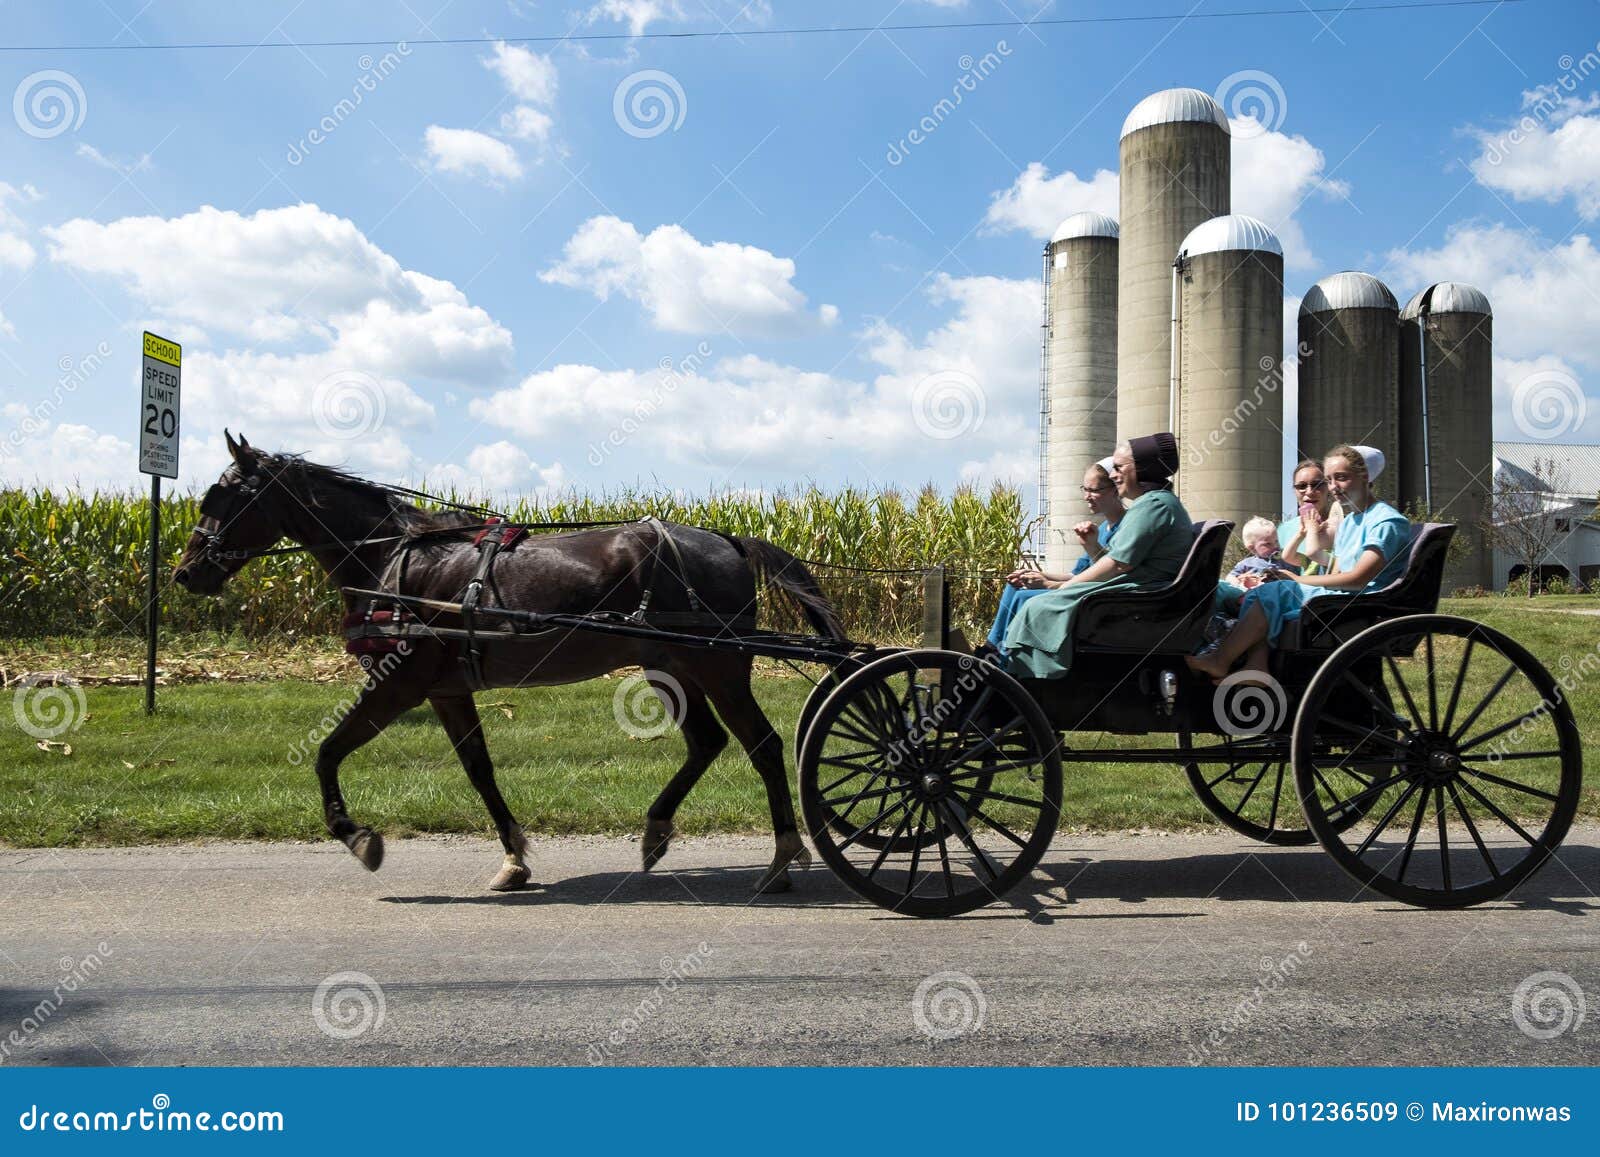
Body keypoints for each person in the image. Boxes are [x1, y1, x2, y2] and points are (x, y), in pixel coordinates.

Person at [1187, 445, 1410, 681]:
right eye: (1330, 479)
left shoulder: (1386, 521)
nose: (1334, 487)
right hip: (1342, 597)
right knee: (1261, 593)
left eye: (1341, 478)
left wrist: (1297, 579)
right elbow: (1336, 570)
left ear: (1365, 476)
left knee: (1273, 593)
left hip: (1365, 603)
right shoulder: (1351, 521)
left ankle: (1220, 661)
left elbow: (1359, 579)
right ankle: (1256, 665)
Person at [999, 433, 1194, 680]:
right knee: (1035, 601)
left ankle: (1026, 679)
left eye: (1120, 467)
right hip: (1140, 591)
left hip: (1140, 597)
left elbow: (1116, 564)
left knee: (1037, 605)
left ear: (1143, 469)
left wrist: (1063, 587)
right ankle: (1006, 663)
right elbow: (1114, 562)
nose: (1113, 474)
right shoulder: (1155, 504)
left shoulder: (1154, 505)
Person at [983, 457, 1122, 653]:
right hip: (1078, 589)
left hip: (1092, 601)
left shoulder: (1126, 528)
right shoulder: (1102, 528)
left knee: (1025, 598)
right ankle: (992, 648)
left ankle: (1006, 656)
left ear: (1115, 490)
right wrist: (1035, 575)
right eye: (1084, 489)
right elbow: (1076, 574)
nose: (1086, 496)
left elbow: (1110, 574)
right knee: (1016, 585)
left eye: (1094, 490)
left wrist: (1049, 583)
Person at [1279, 459, 1342, 575]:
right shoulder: (1283, 530)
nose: (1309, 492)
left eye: (1317, 485)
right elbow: (1286, 557)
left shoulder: (1342, 524)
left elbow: (1313, 552)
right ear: (1294, 491)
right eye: (1301, 486)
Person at [1224, 517, 1295, 590]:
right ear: (1252, 548)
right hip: (1255, 596)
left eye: (1276, 541)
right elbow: (1230, 577)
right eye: (1268, 544)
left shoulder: (1285, 561)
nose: (1275, 546)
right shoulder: (1246, 564)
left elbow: (1296, 578)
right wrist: (1238, 583)